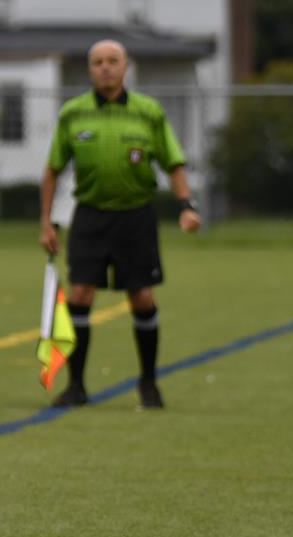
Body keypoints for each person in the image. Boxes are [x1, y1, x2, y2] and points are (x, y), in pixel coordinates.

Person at [38, 39, 200, 410]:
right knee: (80, 295)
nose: (105, 67)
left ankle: (148, 384)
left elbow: (173, 163)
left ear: (126, 67)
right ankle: (76, 386)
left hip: (136, 216)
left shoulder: (148, 112)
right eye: (97, 62)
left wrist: (186, 205)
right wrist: (47, 223)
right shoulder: (73, 113)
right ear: (89, 69)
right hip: (90, 215)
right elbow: (52, 171)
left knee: (141, 296)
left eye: (113, 61)